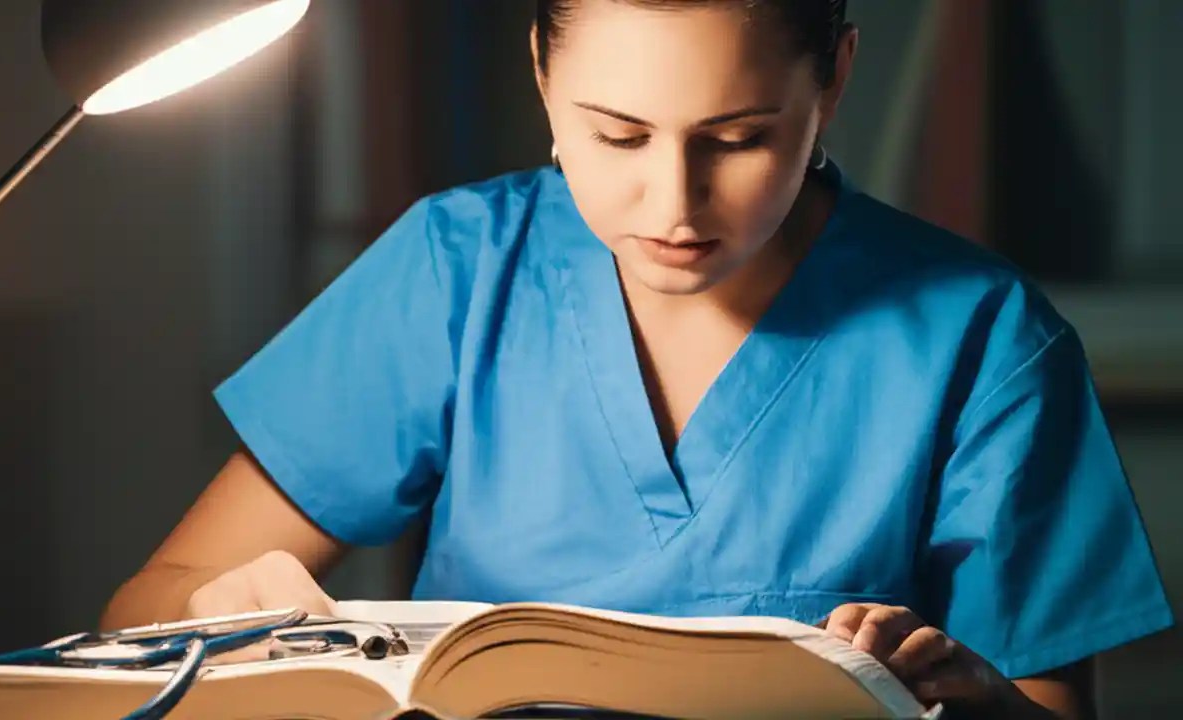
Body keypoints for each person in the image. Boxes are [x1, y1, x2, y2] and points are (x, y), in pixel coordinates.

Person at [101, 0, 1172, 716]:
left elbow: (1042, 709)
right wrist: (249, 642)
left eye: (739, 138)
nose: (672, 206)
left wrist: (959, 695)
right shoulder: (458, 272)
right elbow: (148, 603)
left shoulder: (979, 339)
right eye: (615, 137)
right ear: (539, 71)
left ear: (833, 81)